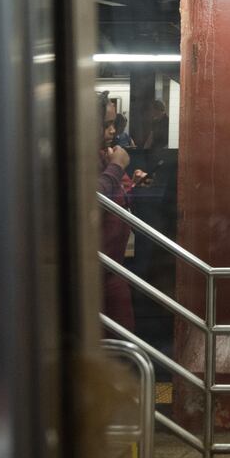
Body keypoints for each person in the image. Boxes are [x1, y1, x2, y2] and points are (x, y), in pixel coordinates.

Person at [97, 134, 139, 333]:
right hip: (98, 268)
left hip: (113, 266)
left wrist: (134, 186)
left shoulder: (105, 157)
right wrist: (116, 167)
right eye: (106, 124)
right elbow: (94, 197)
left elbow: (117, 196)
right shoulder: (90, 161)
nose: (112, 131)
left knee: (124, 338)